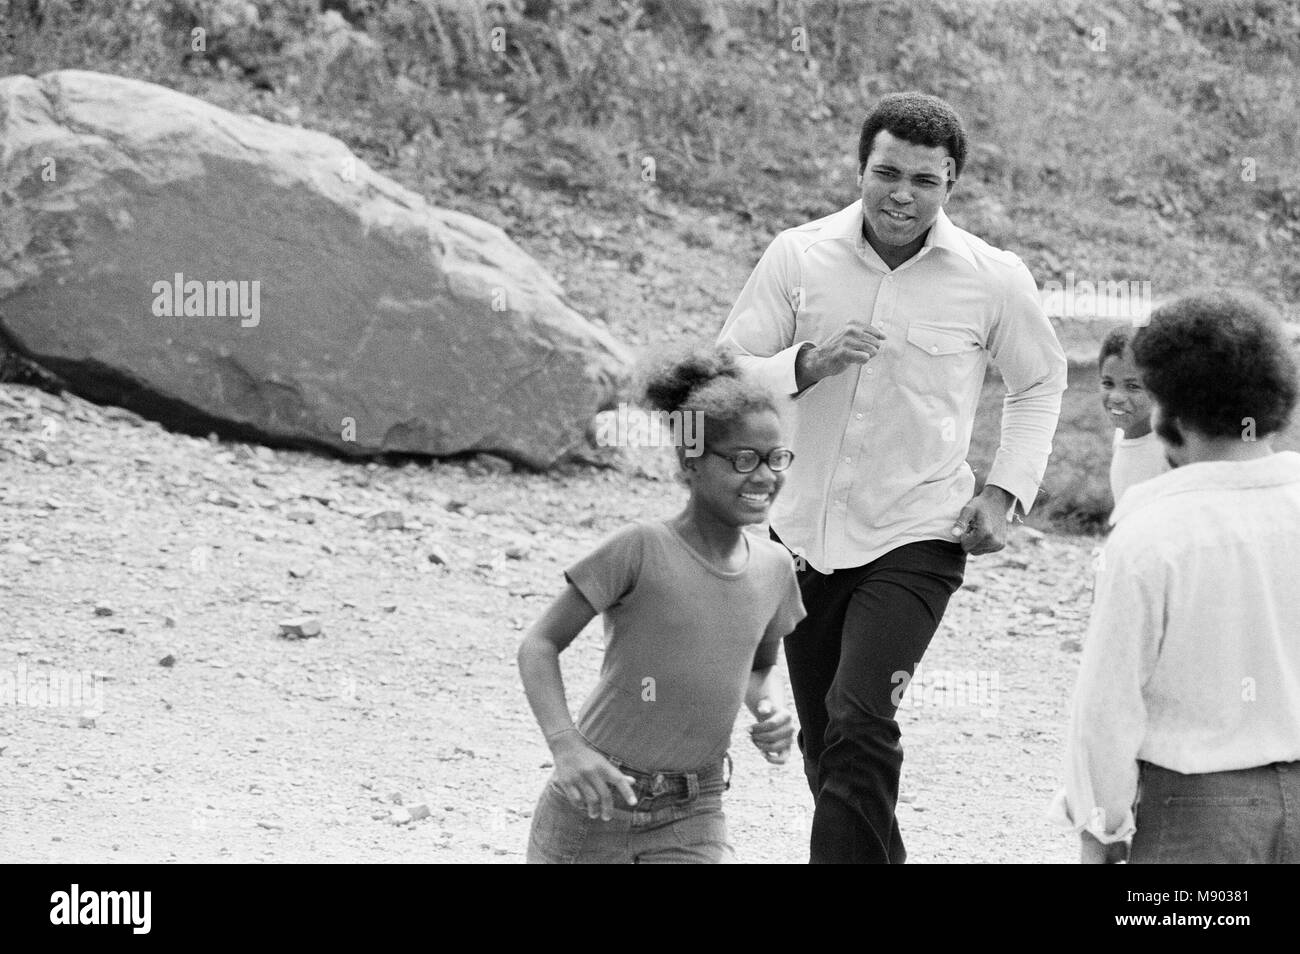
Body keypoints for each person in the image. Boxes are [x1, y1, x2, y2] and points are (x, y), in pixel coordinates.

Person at [717, 91, 1067, 863]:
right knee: (827, 740)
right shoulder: (797, 255)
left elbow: (1040, 382)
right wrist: (807, 363)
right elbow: (727, 372)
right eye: (886, 173)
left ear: (951, 185)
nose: (901, 195)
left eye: (924, 180)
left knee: (861, 715)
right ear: (861, 168)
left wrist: (1004, 493)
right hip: (801, 534)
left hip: (919, 530)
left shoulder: (993, 278)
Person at [517, 350, 807, 863]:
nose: (763, 476)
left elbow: (758, 668)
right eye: (742, 459)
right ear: (691, 462)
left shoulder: (774, 569)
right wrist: (566, 747)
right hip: (595, 801)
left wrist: (770, 709)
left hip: (694, 811)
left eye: (774, 458)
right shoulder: (640, 548)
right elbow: (539, 644)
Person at [1051, 291, 1300, 863]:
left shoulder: (1150, 536)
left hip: (1198, 813)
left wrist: (1102, 825)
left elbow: (1108, 707)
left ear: (1169, 406)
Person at [1098, 327, 1169, 507]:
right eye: (1108, 383)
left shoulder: (1169, 453)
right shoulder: (1121, 436)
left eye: (1133, 386)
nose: (1116, 397)